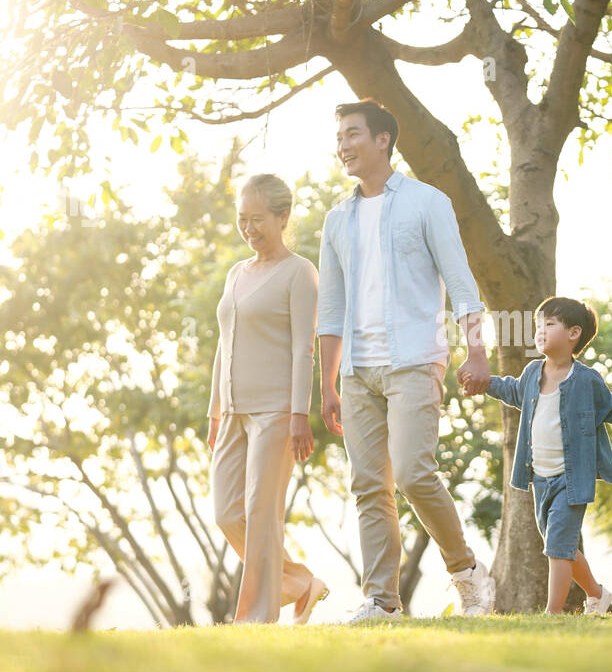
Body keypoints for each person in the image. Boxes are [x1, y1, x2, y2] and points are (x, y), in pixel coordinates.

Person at [316, 98, 496, 622]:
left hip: (414, 359)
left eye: (352, 134)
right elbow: (330, 308)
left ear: (382, 140)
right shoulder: (336, 219)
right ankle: (383, 601)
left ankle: (466, 573)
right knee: (369, 485)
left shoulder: (426, 202)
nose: (343, 146)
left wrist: (477, 347)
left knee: (415, 474)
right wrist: (327, 384)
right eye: (339, 137)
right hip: (357, 373)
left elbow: (461, 281)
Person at [473, 296, 612, 614]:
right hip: (539, 479)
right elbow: (511, 390)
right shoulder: (532, 373)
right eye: (538, 325)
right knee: (563, 547)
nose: (540, 331)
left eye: (549, 324)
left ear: (573, 334)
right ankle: (598, 596)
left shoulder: (586, 380)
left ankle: (552, 613)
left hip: (572, 480)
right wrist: (484, 382)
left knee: (557, 545)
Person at [208, 174, 329, 625]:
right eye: (243, 219)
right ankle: (299, 584)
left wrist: (301, 413)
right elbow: (224, 343)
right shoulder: (236, 273)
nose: (249, 228)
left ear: (283, 217)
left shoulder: (300, 273)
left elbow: (304, 348)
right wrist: (214, 410)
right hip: (233, 410)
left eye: (258, 219)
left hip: (277, 410)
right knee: (225, 512)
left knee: (262, 511)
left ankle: (255, 618)